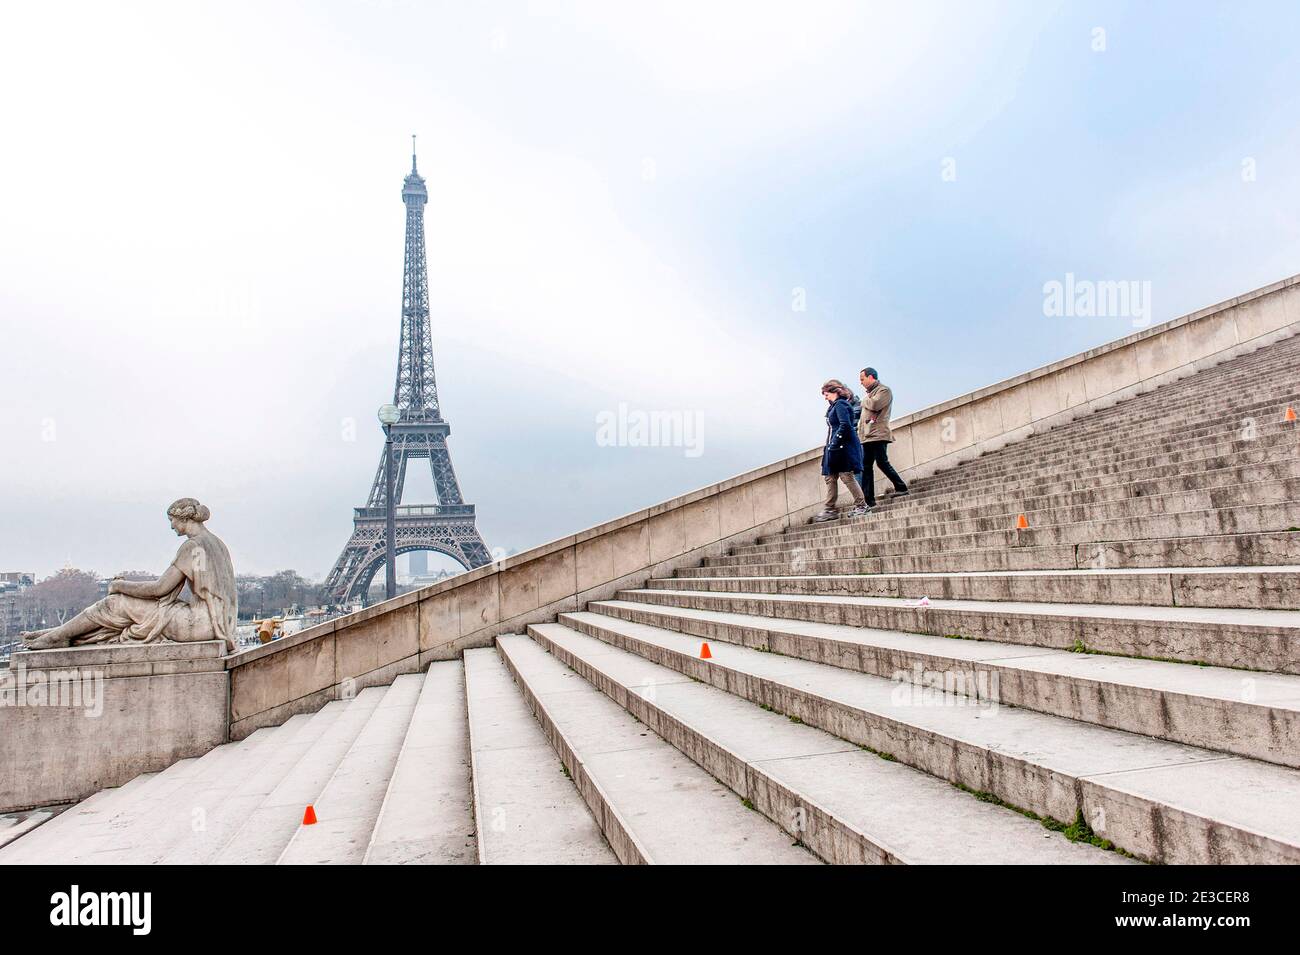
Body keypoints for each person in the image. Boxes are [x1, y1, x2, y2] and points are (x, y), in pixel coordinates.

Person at [21, 498, 238, 654]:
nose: (172, 526)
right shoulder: (217, 544)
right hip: (215, 624)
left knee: (115, 605)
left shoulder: (193, 546)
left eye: (172, 520)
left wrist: (120, 585)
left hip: (195, 624)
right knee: (123, 618)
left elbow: (159, 589)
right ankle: (57, 633)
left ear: (183, 518)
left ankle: (57, 637)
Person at [814, 379, 869, 522]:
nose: (825, 397)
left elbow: (845, 426)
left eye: (826, 394)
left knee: (846, 476)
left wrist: (834, 444)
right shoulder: (834, 406)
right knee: (830, 477)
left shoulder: (841, 405)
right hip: (833, 447)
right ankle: (830, 509)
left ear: (834, 391)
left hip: (842, 447)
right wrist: (830, 446)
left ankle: (862, 505)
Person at [857, 366, 909, 506]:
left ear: (871, 377)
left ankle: (901, 487)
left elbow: (875, 404)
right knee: (866, 466)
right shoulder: (870, 393)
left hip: (878, 434)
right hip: (868, 436)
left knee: (881, 462)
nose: (861, 382)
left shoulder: (883, 391)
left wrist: (863, 400)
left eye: (862, 379)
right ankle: (869, 500)